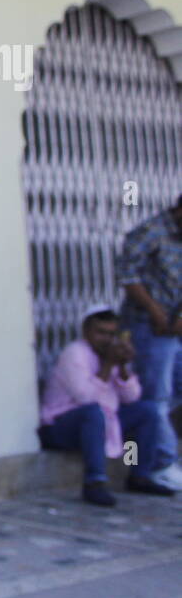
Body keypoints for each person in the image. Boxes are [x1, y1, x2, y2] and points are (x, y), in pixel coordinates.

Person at [38, 305, 172, 506]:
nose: (106, 339)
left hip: (104, 418)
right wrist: (109, 365)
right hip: (61, 425)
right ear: (86, 332)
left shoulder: (112, 353)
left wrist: (124, 368)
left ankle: (138, 474)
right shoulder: (74, 354)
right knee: (93, 414)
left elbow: (131, 398)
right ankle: (95, 482)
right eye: (100, 333)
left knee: (147, 412)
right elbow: (86, 398)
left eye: (111, 334)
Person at [116, 198, 182, 491]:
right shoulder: (151, 231)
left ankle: (155, 448)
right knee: (156, 394)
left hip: (175, 324)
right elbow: (127, 275)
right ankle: (160, 463)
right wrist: (157, 312)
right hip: (148, 325)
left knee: (171, 391)